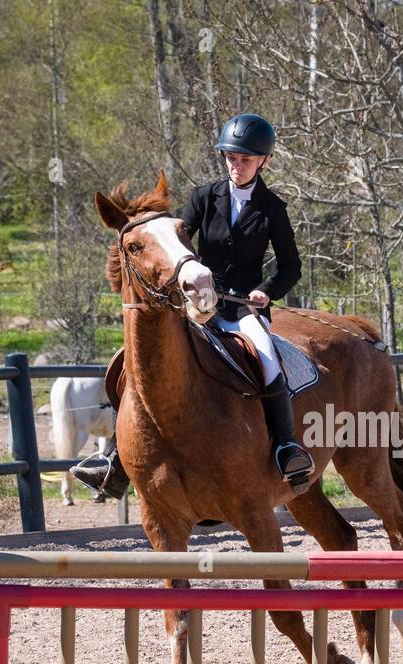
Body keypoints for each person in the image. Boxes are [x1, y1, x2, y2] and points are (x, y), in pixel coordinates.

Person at [71, 113, 313, 499]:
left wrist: (267, 291)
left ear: (264, 161)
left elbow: (291, 266)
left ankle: (286, 447)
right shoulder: (205, 197)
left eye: (246, 160)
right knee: (134, 362)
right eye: (231, 158)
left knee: (268, 359)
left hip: (243, 310)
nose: (237, 166)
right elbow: (179, 242)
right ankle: (117, 459)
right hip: (197, 306)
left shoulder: (273, 209)